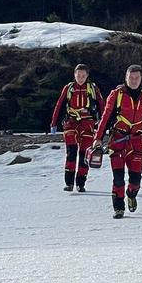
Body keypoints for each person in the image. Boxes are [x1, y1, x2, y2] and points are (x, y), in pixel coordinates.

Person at [92, 65, 142, 219]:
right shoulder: (116, 94)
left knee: (136, 180)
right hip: (118, 140)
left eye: (137, 78)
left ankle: (131, 194)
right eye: (131, 78)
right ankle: (118, 208)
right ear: (126, 78)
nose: (134, 81)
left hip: (136, 141)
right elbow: (105, 117)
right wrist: (98, 138)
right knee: (118, 179)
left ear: (141, 79)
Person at [50, 64, 102, 192]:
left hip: (87, 123)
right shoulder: (68, 88)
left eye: (83, 75)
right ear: (74, 75)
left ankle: (80, 183)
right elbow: (59, 105)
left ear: (87, 76)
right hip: (71, 122)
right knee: (71, 151)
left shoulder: (93, 88)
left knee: (84, 154)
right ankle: (69, 183)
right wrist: (53, 123)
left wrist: (103, 125)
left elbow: (102, 105)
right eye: (78, 75)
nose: (80, 78)